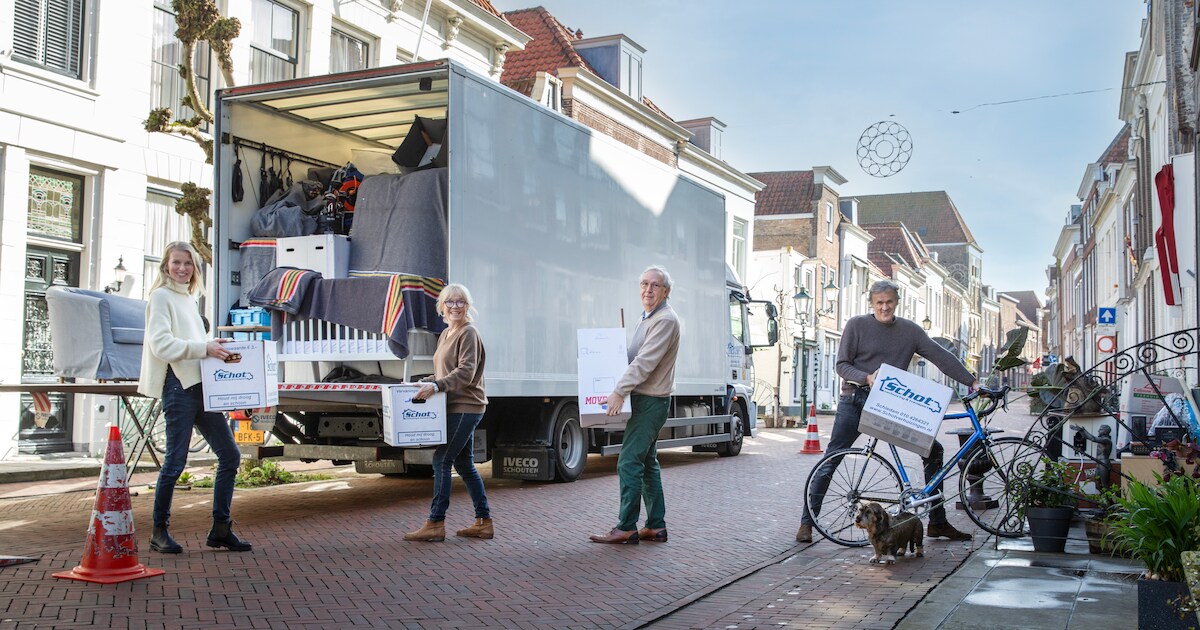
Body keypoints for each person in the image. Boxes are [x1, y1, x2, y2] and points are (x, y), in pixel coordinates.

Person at [796, 279, 979, 543]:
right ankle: (806, 523)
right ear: (871, 303)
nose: (884, 307)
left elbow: (941, 357)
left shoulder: (910, 331)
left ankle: (937, 523)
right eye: (879, 303)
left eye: (889, 302)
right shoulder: (856, 325)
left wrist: (972, 382)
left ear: (897, 302)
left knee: (933, 450)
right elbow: (842, 365)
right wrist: (867, 377)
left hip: (890, 403)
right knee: (831, 460)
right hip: (855, 400)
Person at [137, 241, 251, 553]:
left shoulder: (188, 299)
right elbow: (161, 345)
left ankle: (221, 529)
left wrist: (212, 345)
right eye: (177, 262)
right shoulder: (160, 297)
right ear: (166, 265)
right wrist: (205, 347)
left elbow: (192, 344)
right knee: (175, 462)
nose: (182, 268)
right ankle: (159, 532)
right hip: (178, 386)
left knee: (230, 456)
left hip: (201, 386)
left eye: (188, 263)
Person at [590, 266, 681, 544]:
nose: (648, 290)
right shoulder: (649, 318)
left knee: (629, 461)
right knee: (647, 463)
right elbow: (634, 357)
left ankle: (627, 527)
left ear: (666, 291)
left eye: (655, 285)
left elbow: (644, 362)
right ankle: (655, 525)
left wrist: (619, 391)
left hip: (650, 401)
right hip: (646, 399)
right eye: (644, 284)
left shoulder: (665, 320)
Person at [404, 284, 492, 542]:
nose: (455, 306)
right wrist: (424, 382)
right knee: (463, 464)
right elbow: (444, 373)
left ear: (468, 306)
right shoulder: (445, 334)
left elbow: (465, 372)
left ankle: (435, 523)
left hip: (466, 405)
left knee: (441, 460)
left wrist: (436, 386)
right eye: (450, 302)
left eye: (460, 302)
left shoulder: (468, 332)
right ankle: (484, 522)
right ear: (441, 306)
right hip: (453, 405)